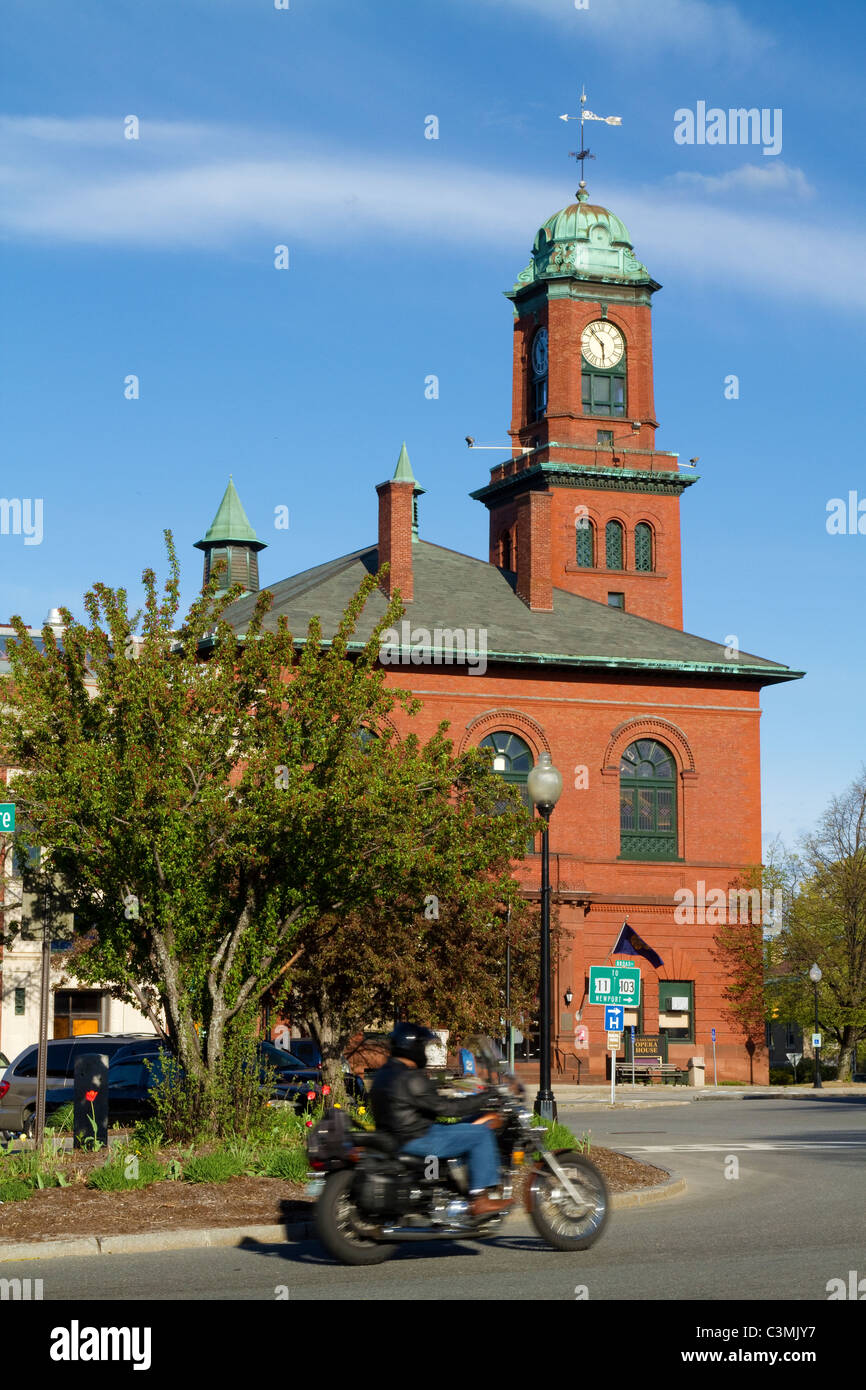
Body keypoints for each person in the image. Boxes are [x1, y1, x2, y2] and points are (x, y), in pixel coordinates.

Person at [369, 1022, 513, 1217]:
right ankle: (480, 1199)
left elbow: (425, 1103)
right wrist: (486, 1096)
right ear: (414, 1048)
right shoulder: (409, 1077)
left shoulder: (385, 1074)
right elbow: (448, 1108)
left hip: (399, 1134)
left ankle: (458, 1185)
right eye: (423, 1047)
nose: (425, 1053)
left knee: (467, 1125)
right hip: (418, 1137)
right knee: (481, 1134)